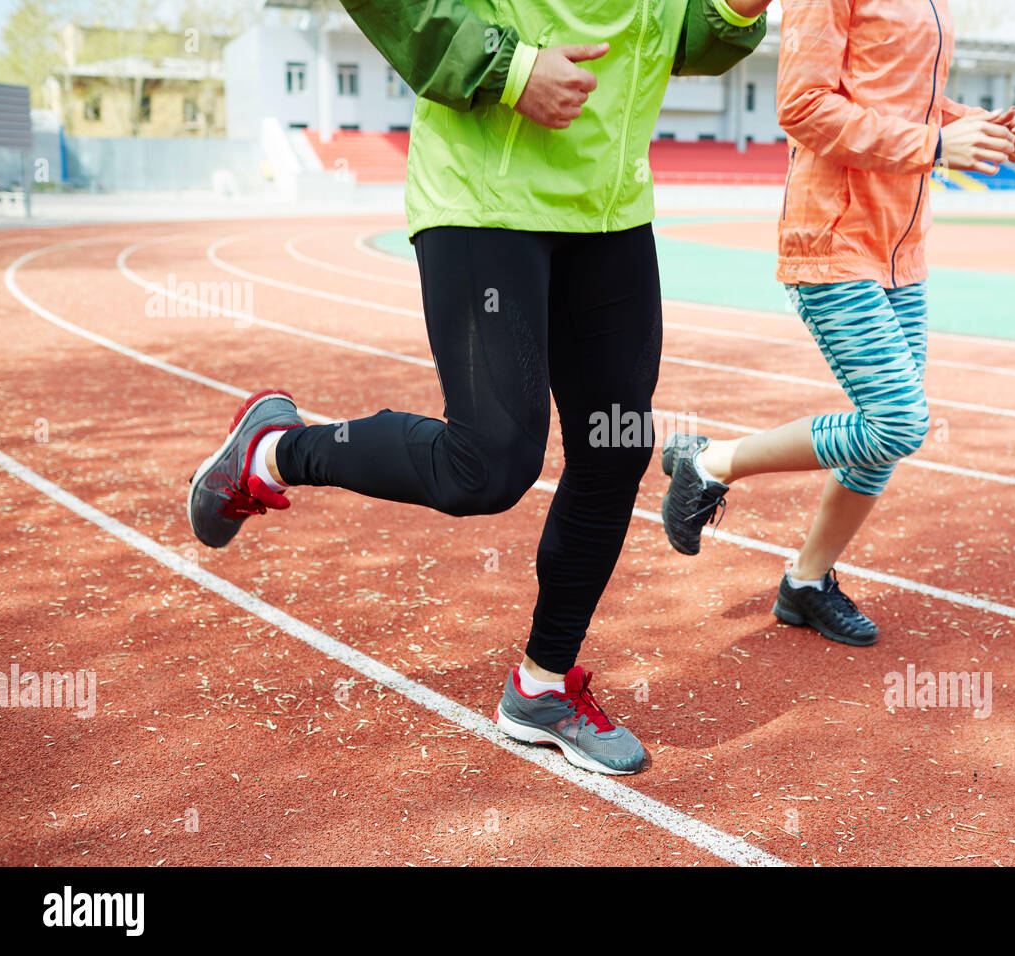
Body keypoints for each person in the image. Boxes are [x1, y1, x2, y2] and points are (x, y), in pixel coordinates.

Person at [188, 0, 770, 775]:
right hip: (487, 195)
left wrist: (731, 12)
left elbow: (662, 33)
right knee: (489, 465)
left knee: (614, 450)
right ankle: (278, 450)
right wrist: (511, 67)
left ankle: (543, 686)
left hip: (610, 204)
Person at [660, 0, 1015, 647]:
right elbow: (803, 106)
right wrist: (938, 145)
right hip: (832, 241)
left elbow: (901, 99)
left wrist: (971, 124)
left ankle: (805, 584)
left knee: (884, 438)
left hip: (902, 251)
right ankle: (710, 461)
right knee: (899, 420)